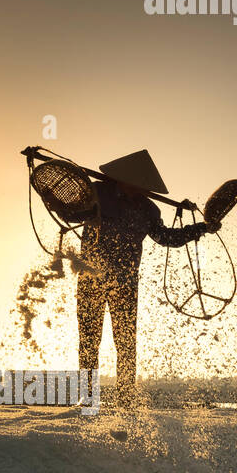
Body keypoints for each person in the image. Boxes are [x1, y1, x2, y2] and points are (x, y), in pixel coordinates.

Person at [77, 150, 219, 405]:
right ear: (124, 179)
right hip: (92, 277)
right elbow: (68, 206)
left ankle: (126, 400)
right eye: (138, 184)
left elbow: (166, 238)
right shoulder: (97, 192)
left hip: (126, 283)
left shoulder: (148, 208)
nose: (141, 190)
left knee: (126, 345)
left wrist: (201, 228)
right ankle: (88, 401)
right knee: (88, 341)